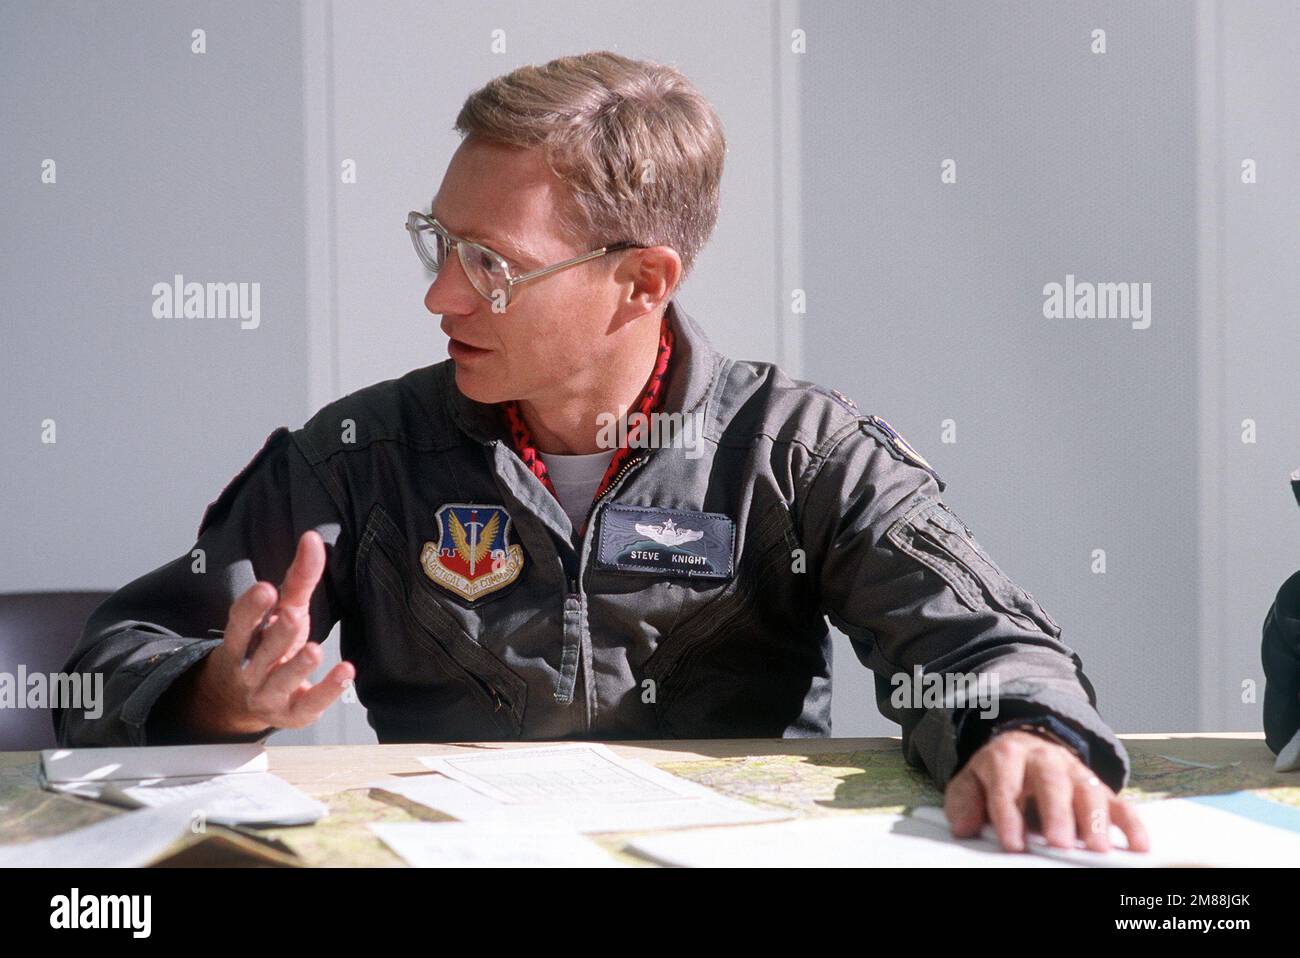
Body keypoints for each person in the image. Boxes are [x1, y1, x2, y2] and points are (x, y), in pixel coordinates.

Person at [57, 50, 1148, 855]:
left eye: (489, 264)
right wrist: (215, 693)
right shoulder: (360, 454)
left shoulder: (796, 451)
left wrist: (1025, 732)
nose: (440, 295)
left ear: (642, 282)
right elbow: (107, 659)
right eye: (440, 245)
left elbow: (986, 640)